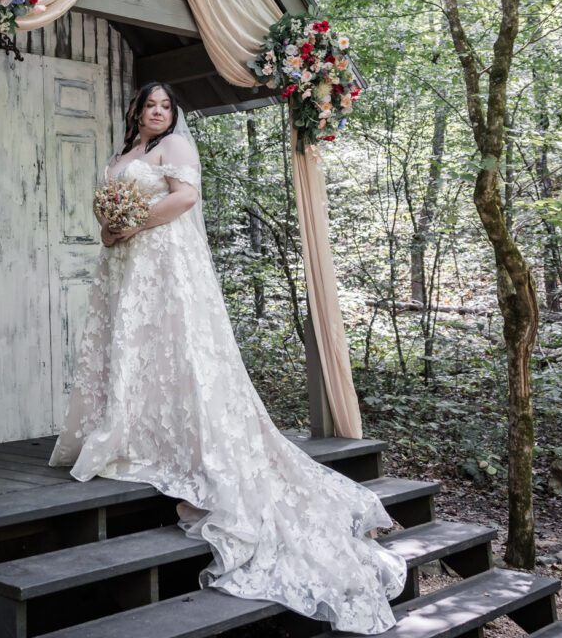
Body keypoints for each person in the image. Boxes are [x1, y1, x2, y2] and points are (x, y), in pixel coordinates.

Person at [49, 82, 407, 634]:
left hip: (163, 259)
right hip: (125, 263)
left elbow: (184, 199)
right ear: (136, 112)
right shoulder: (123, 157)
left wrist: (136, 222)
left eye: (167, 107)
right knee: (129, 348)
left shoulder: (176, 149)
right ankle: (125, 428)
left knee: (171, 348)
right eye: (151, 106)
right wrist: (110, 228)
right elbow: (111, 207)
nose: (159, 113)